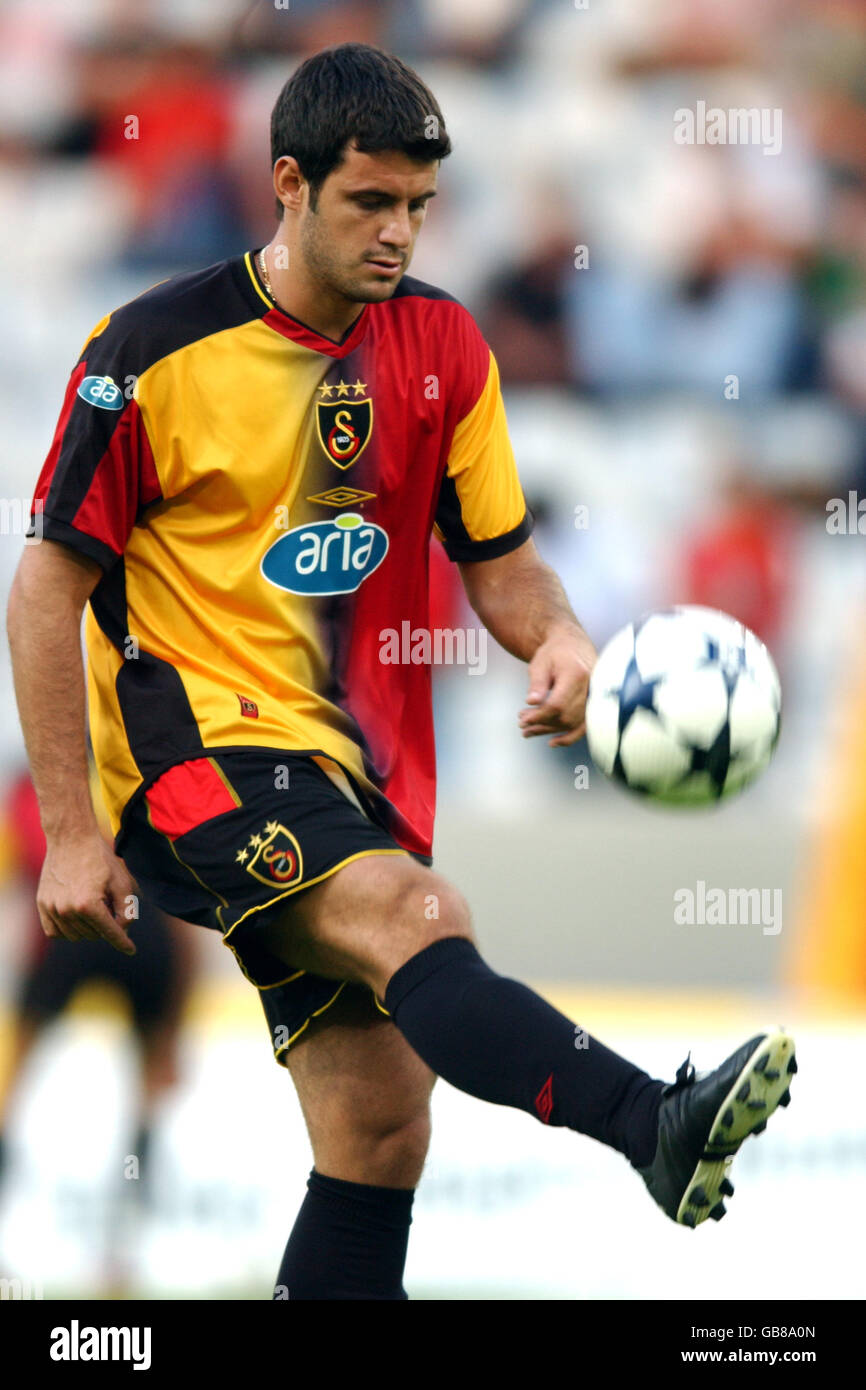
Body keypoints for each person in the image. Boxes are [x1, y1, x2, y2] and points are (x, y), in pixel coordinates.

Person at [7, 43, 795, 1301]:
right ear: (288, 184)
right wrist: (66, 828)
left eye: (419, 207)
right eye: (370, 202)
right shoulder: (146, 352)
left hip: (353, 774)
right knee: (419, 916)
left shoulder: (443, 347)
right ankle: (653, 1120)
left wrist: (563, 640)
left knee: (378, 1130)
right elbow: (43, 591)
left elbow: (504, 564)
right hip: (191, 759)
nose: (398, 233)